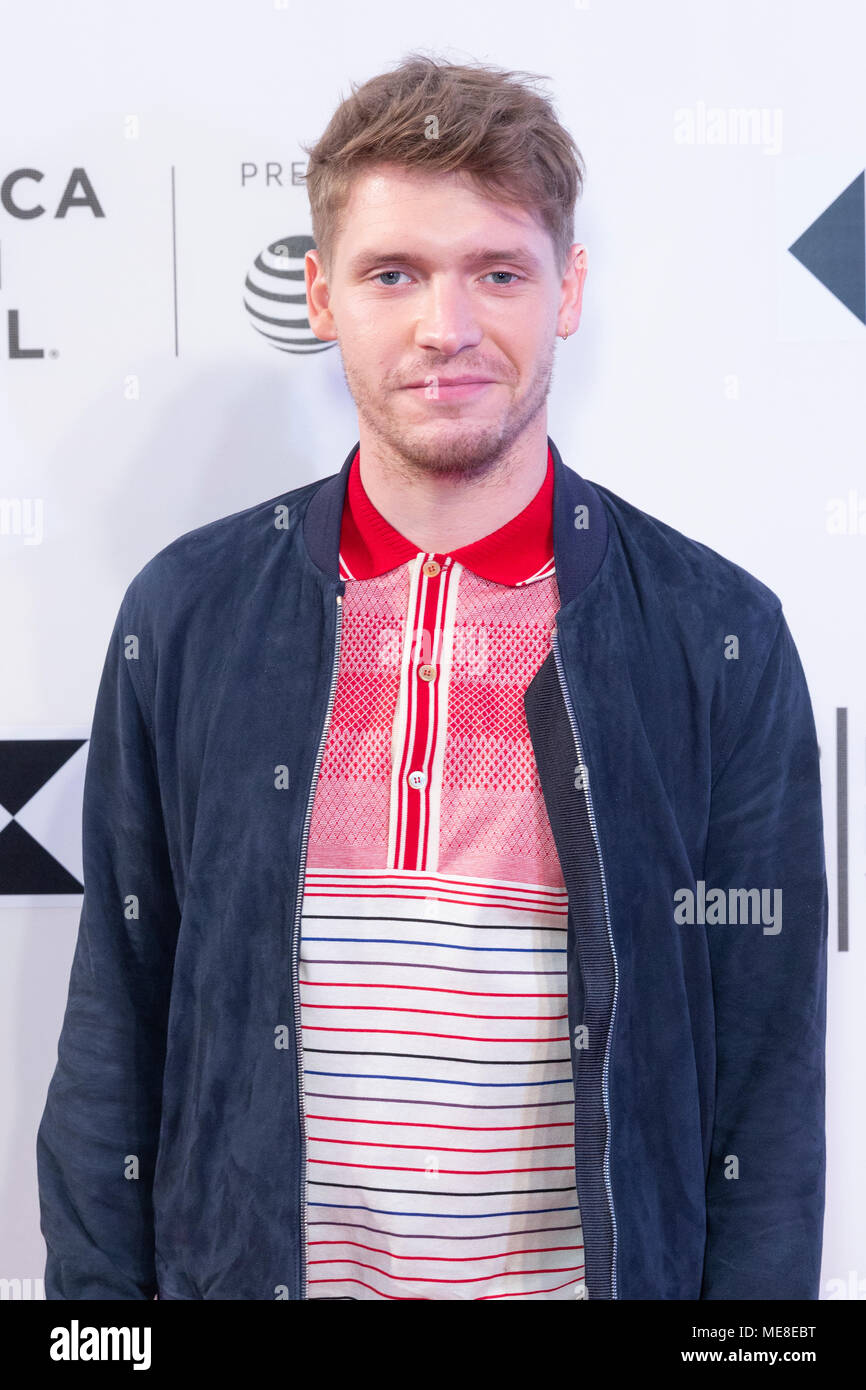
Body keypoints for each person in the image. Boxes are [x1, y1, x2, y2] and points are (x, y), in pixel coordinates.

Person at [37, 53, 827, 1301]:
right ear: (318, 293)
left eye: (496, 273)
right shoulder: (184, 616)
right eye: (392, 271)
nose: (443, 328)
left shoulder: (713, 631)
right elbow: (112, 1041)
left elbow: (767, 1088)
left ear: (566, 291)